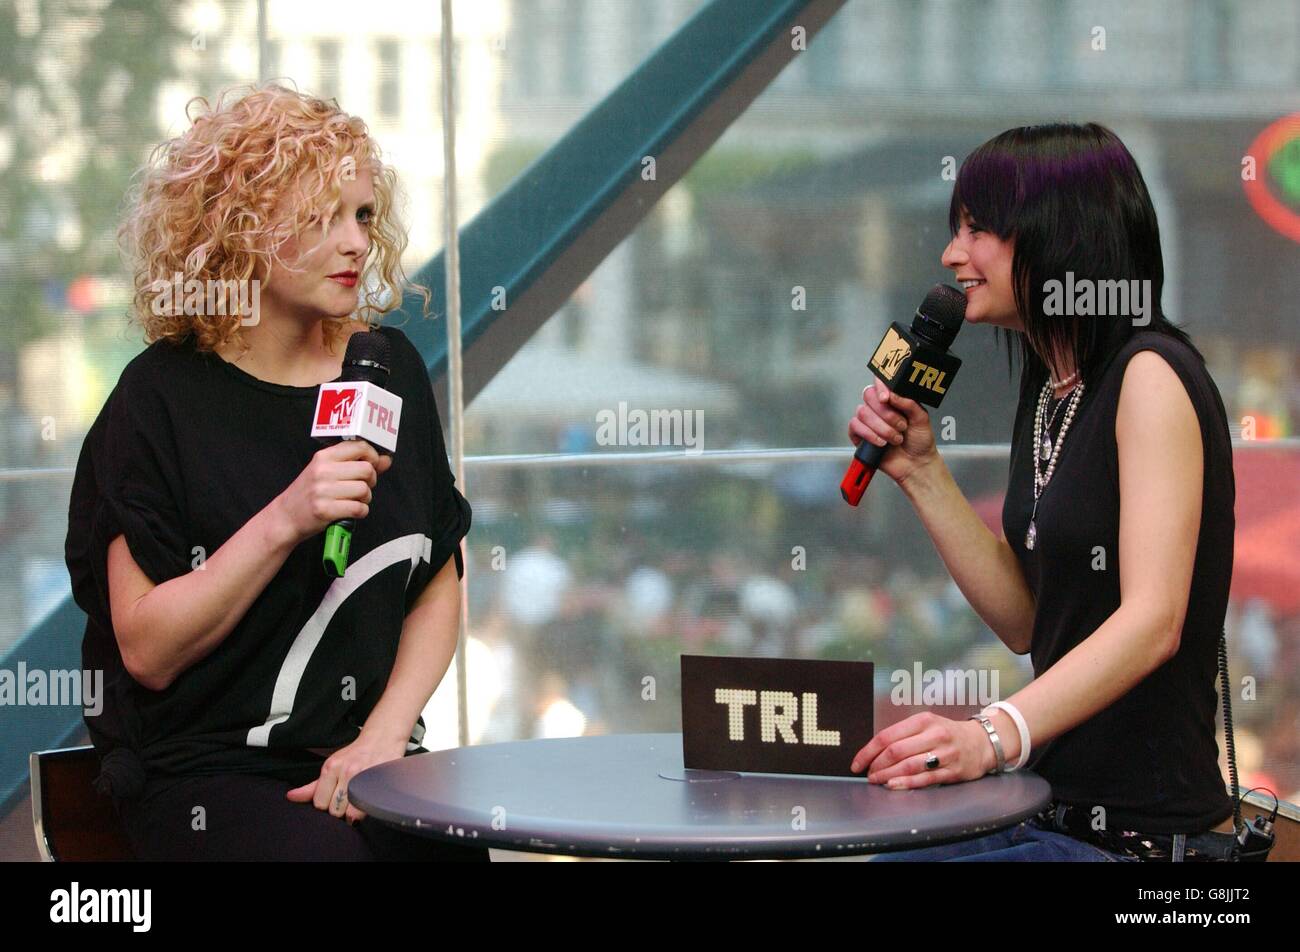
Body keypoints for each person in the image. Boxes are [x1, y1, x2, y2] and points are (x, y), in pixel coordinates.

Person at [64, 82, 485, 861]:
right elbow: (147, 650)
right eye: (324, 217)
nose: (357, 242)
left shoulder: (385, 369)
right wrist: (289, 517)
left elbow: (438, 581)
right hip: (209, 776)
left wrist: (385, 737)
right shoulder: (158, 400)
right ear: (242, 230)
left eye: (362, 214)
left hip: (364, 757)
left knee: (455, 850)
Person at [846, 123, 1238, 861]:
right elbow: (1031, 623)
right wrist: (923, 473)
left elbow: (1155, 621)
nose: (952, 254)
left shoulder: (1150, 376)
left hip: (1140, 841)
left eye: (978, 228)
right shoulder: (1052, 389)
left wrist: (987, 737)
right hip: (1047, 808)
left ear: (1061, 235)